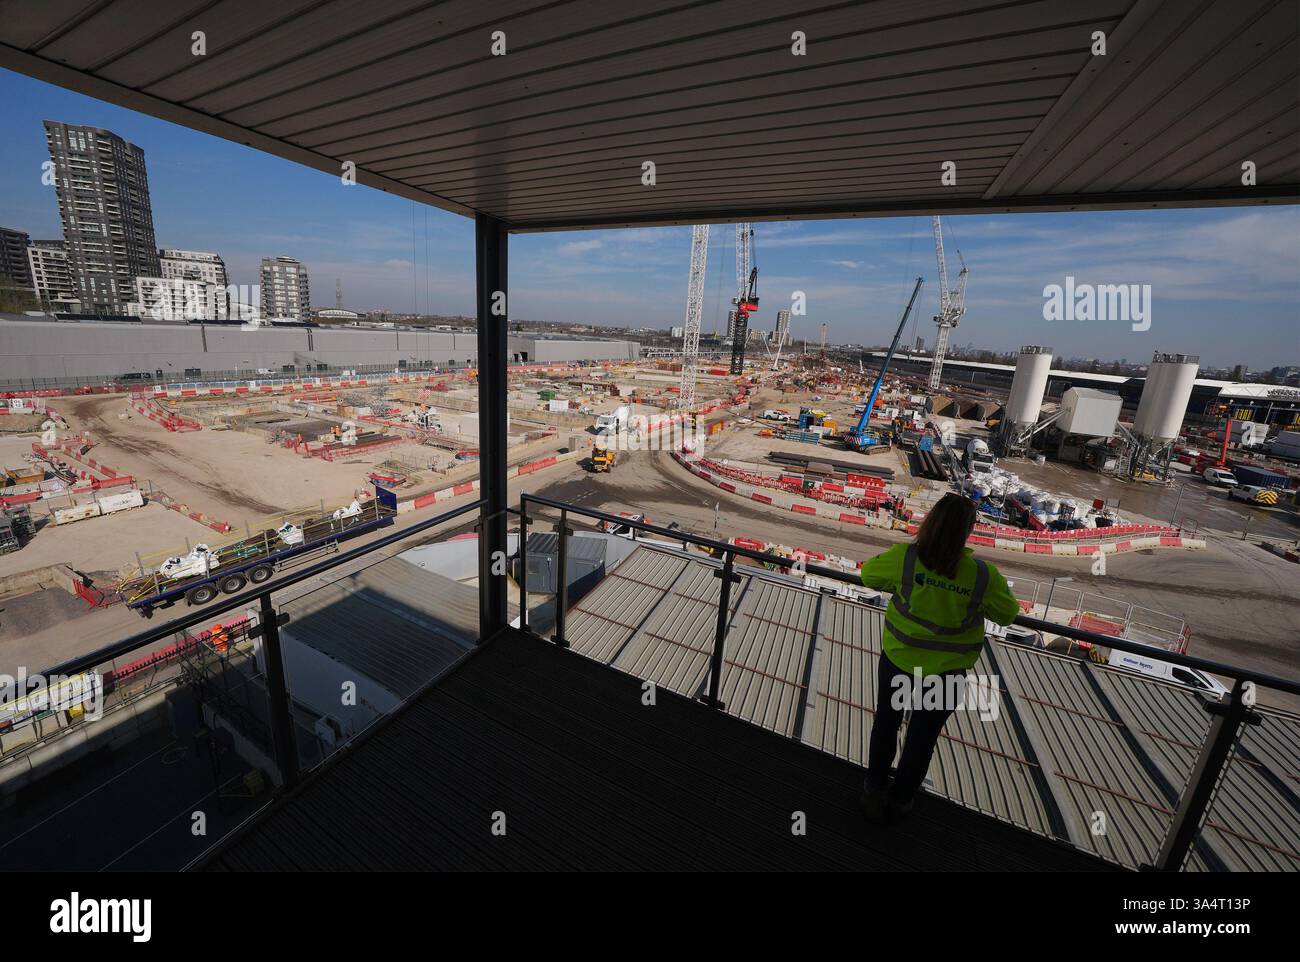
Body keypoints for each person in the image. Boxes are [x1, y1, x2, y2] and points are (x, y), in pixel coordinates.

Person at [858, 493, 1020, 822]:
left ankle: (874, 790)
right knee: (921, 738)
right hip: (945, 675)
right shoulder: (982, 576)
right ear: (967, 532)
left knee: (886, 726)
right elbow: (1007, 615)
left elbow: (868, 576)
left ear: (930, 521)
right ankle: (901, 801)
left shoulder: (906, 558)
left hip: (899, 662)